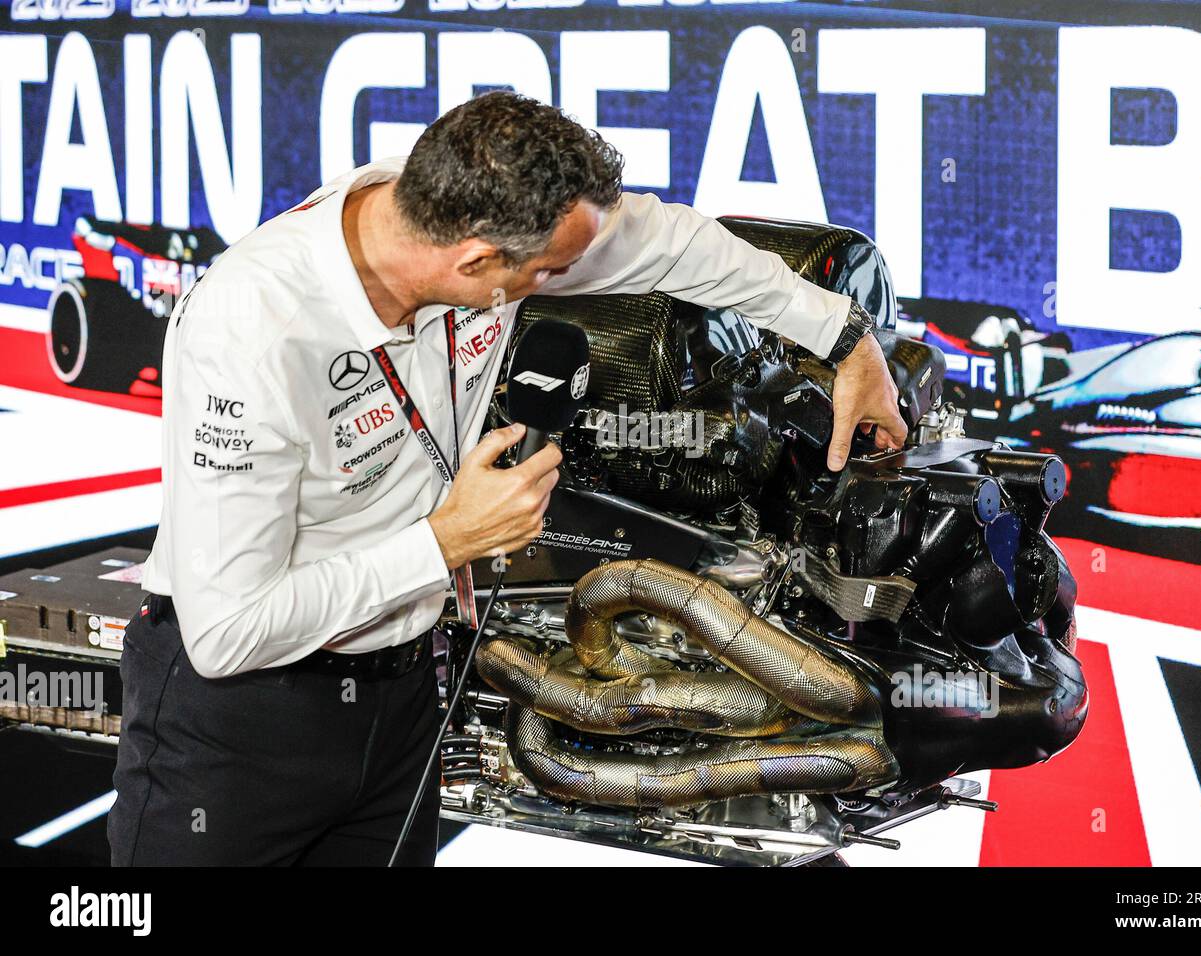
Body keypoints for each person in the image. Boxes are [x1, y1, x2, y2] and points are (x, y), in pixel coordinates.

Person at [107, 90, 907, 866]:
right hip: (240, 728)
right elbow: (226, 634)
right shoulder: (252, 331)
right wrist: (447, 541)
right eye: (549, 272)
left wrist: (845, 339)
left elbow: (675, 243)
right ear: (477, 261)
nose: (561, 283)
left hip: (401, 693)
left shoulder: (453, 215)